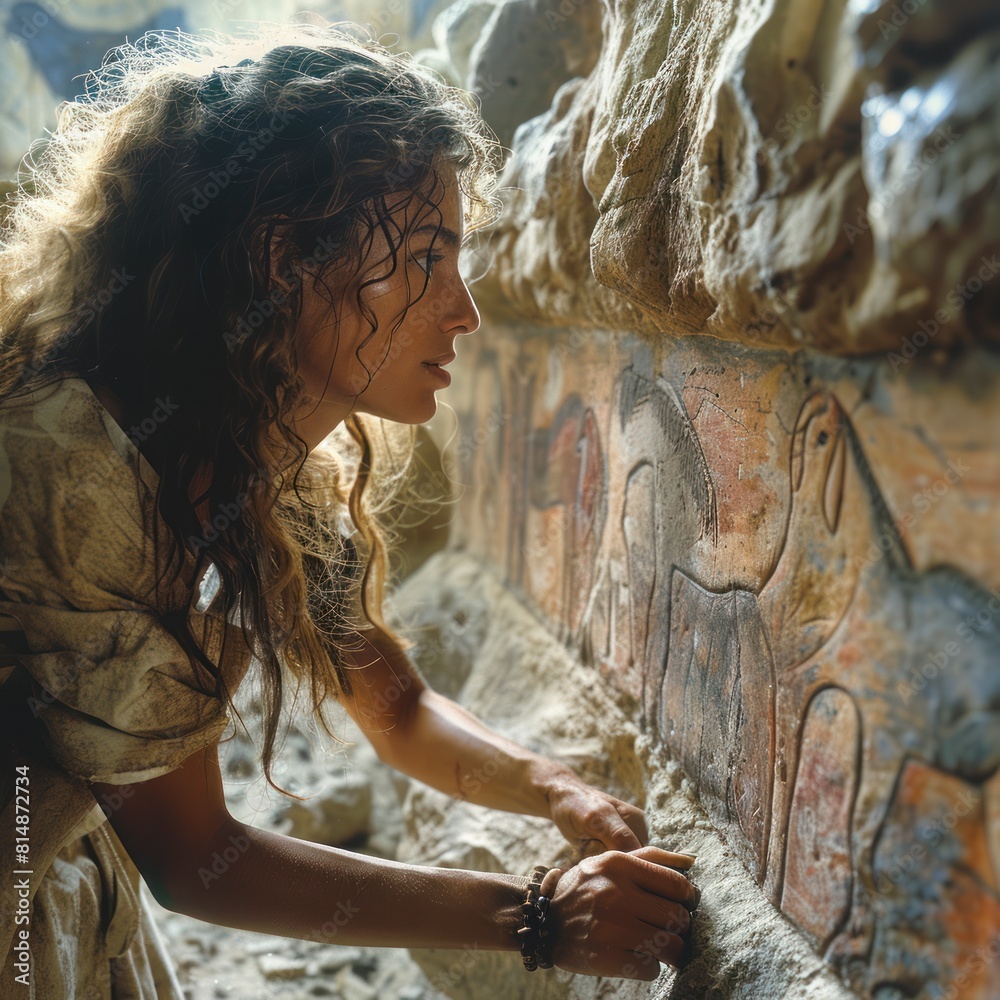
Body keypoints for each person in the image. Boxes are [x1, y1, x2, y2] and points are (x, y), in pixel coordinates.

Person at [0, 22, 698, 997]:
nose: (462, 310)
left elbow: (398, 707)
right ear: (282, 255)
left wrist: (554, 786)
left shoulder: (254, 446)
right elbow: (198, 857)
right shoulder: (75, 476)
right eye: (424, 258)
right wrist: (535, 915)